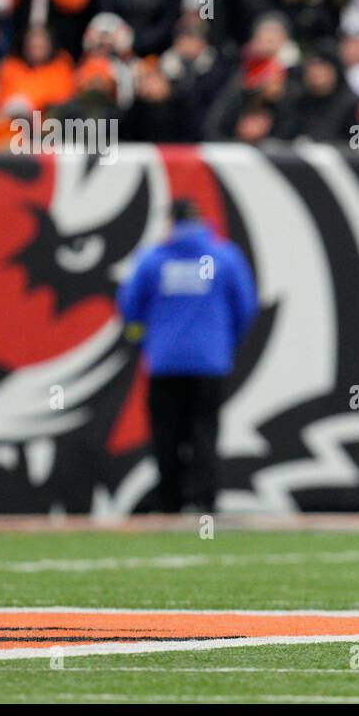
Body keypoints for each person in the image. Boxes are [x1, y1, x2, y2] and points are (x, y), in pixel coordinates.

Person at [116, 199, 259, 513]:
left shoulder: (152, 260)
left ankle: (170, 503)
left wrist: (147, 341)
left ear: (170, 222)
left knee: (166, 434)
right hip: (209, 362)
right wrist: (224, 341)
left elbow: (129, 308)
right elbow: (246, 306)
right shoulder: (225, 256)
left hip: (164, 361)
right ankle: (205, 501)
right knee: (204, 431)